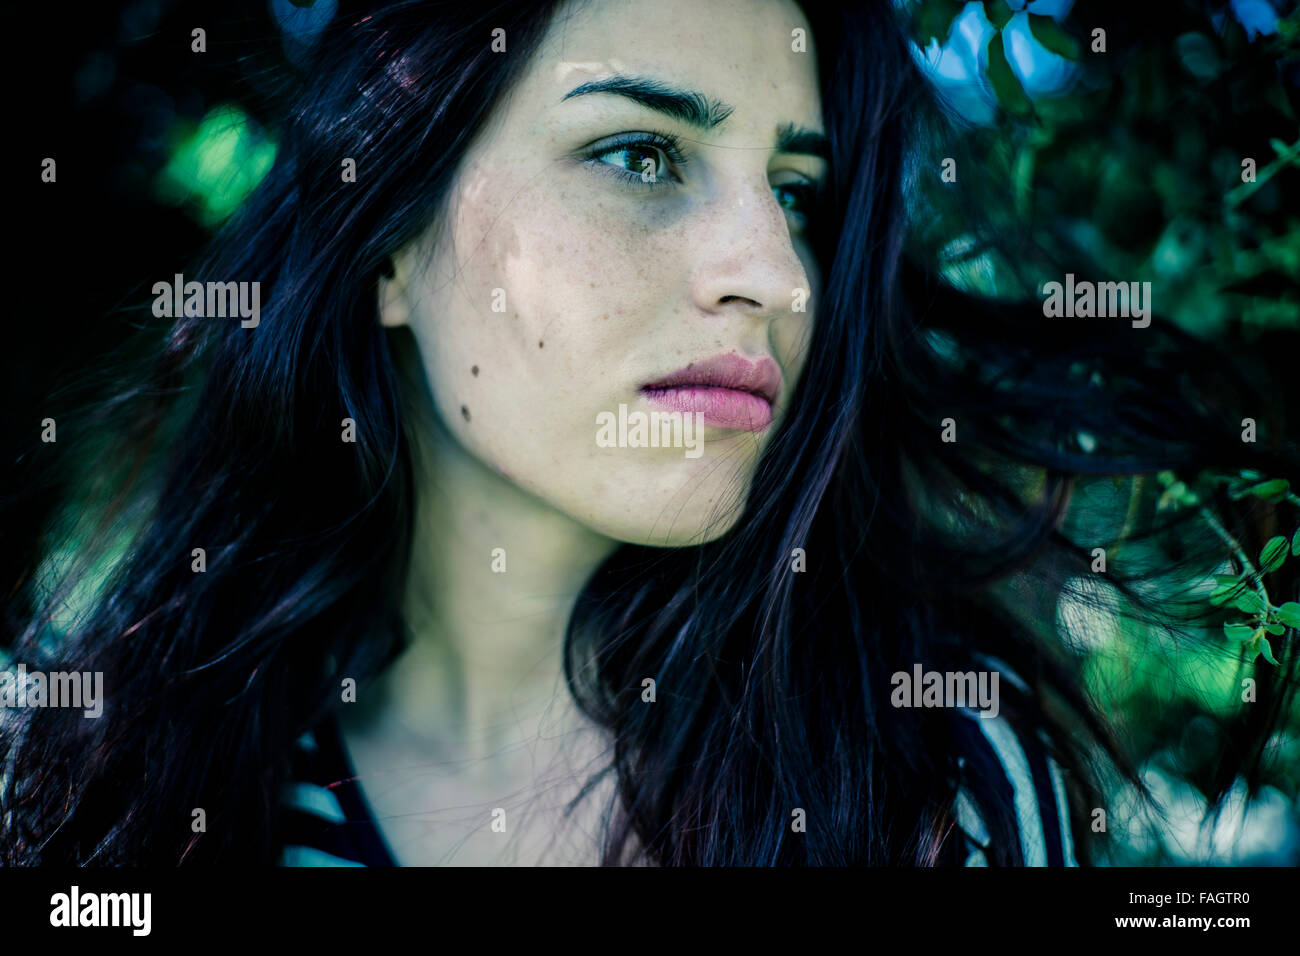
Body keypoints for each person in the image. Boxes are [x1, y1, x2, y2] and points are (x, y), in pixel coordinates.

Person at [2, 0, 1293, 866]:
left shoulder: (926, 781)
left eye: (798, 191)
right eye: (641, 155)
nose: (780, 275)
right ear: (389, 237)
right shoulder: (119, 781)